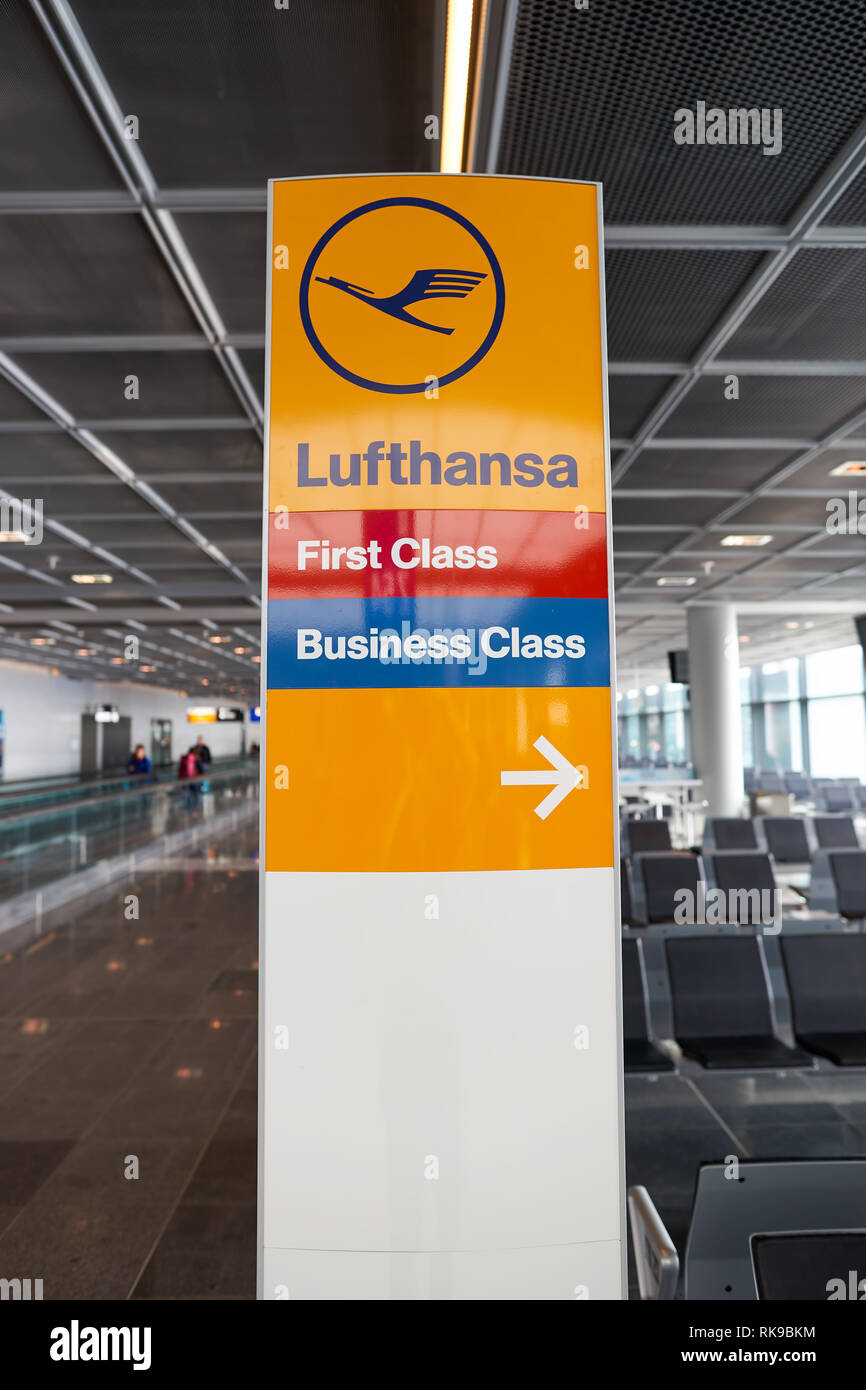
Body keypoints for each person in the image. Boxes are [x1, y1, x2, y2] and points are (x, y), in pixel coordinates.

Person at [178, 746, 202, 810]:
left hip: (183, 779)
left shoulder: (185, 758)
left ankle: (189, 810)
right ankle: (195, 810)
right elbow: (190, 771)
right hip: (190, 780)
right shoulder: (191, 757)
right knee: (197, 795)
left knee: (188, 796)